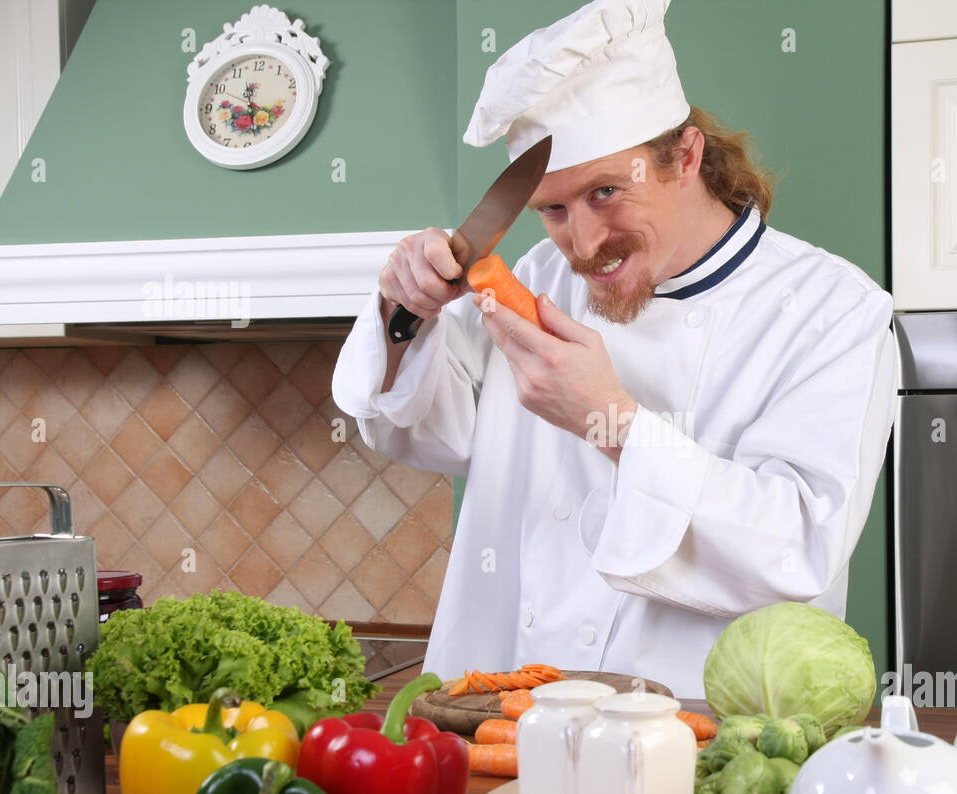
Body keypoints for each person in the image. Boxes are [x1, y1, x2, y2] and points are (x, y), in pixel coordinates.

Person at [332, 0, 896, 697]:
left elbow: (799, 546)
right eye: (553, 208)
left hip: (684, 733)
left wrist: (613, 423)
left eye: (606, 192)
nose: (584, 243)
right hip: (496, 706)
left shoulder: (831, 311)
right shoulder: (533, 278)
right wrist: (404, 308)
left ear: (685, 156)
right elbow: (416, 430)